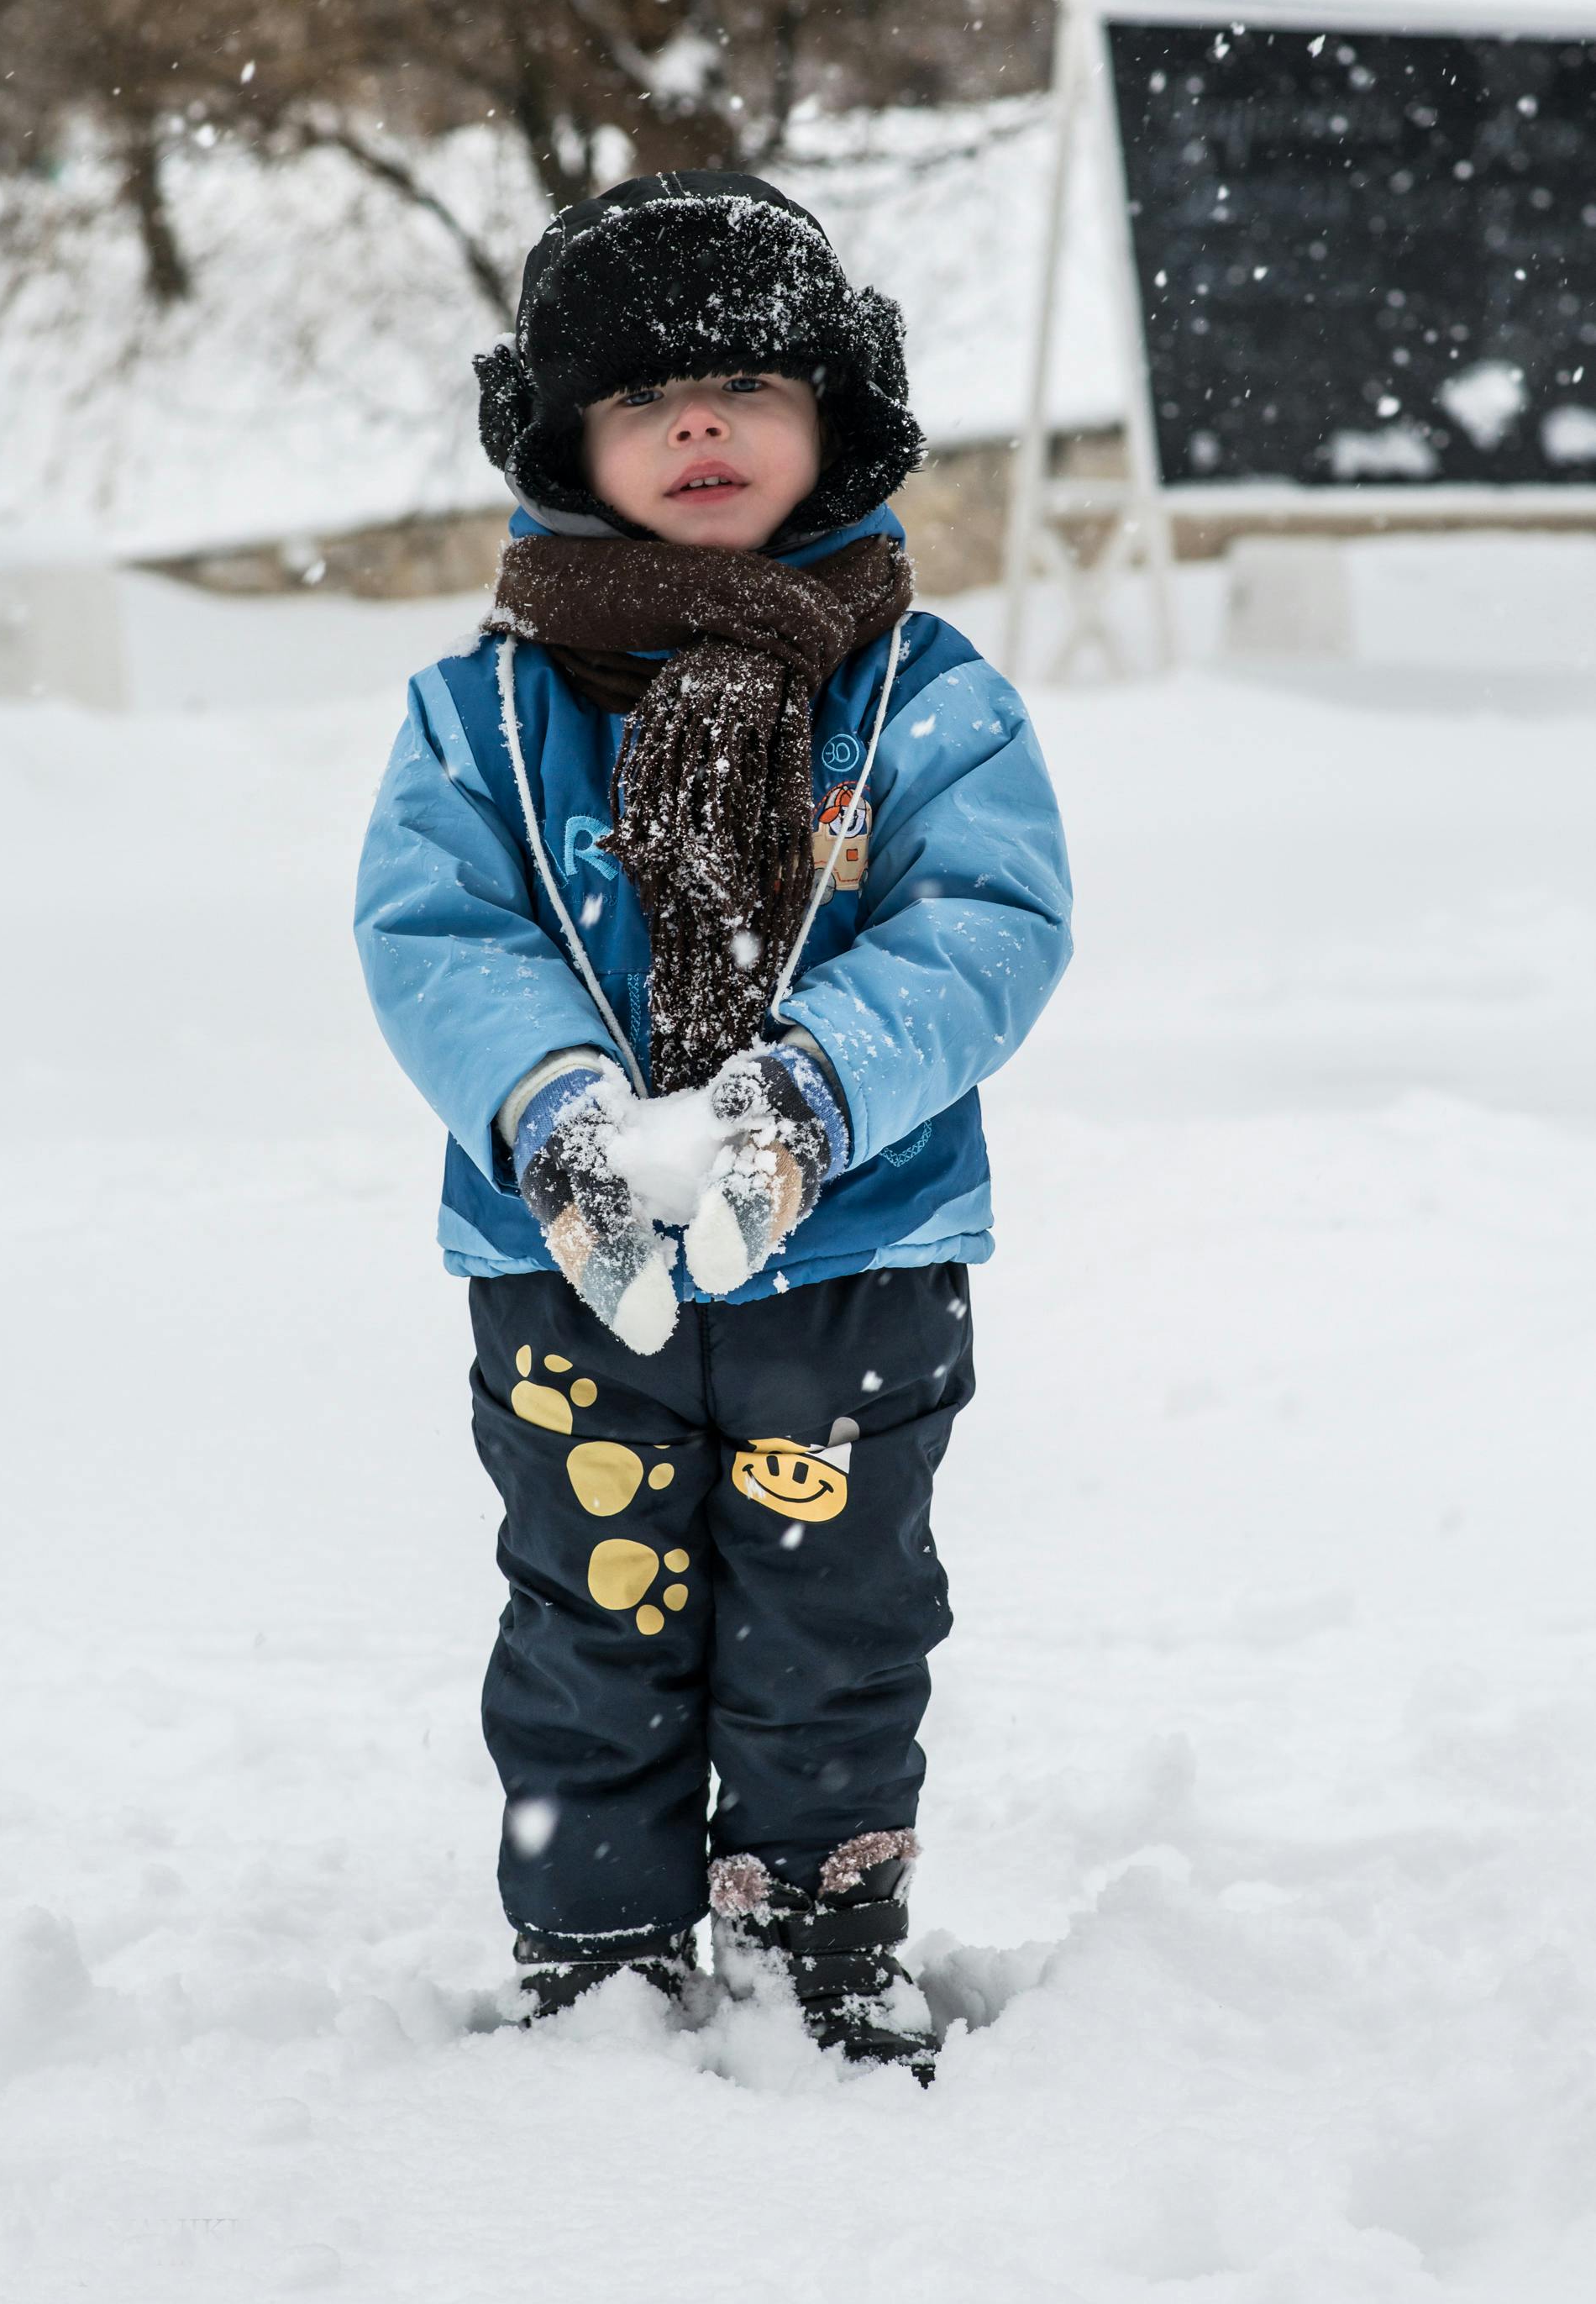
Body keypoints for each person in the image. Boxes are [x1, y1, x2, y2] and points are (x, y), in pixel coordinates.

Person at [354, 171, 1072, 2081]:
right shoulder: (480, 714)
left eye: (747, 382)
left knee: (833, 1620)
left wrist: (811, 1089)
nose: (698, 426)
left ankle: (813, 1941)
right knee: (593, 1614)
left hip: (853, 1255)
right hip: (566, 1262)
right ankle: (594, 1951)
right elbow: (437, 934)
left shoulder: (922, 696)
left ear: (833, 418)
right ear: (566, 443)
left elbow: (986, 923)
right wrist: (555, 1112)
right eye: (641, 395)